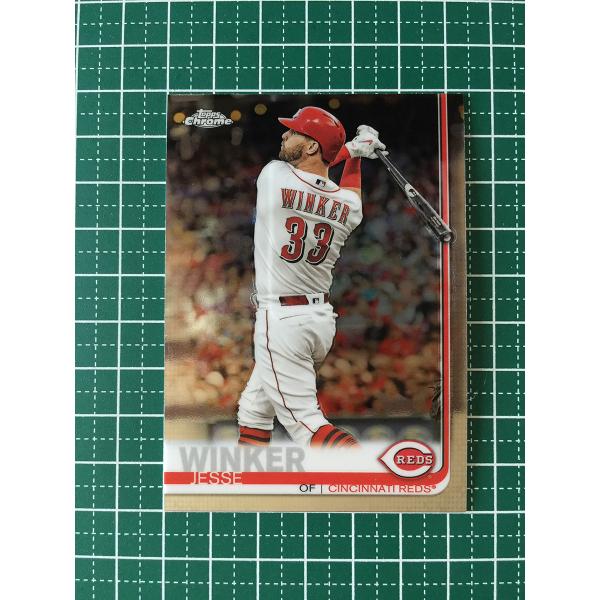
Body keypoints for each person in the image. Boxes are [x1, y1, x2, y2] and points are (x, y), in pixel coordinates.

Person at [237, 106, 386, 448]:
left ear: (311, 146)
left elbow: (328, 167)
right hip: (319, 322)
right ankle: (247, 476)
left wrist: (354, 150)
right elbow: (350, 192)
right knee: (254, 410)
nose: (284, 135)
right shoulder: (349, 206)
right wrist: (355, 155)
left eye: (294, 132)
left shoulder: (274, 175)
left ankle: (365, 472)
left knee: (308, 425)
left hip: (282, 321)